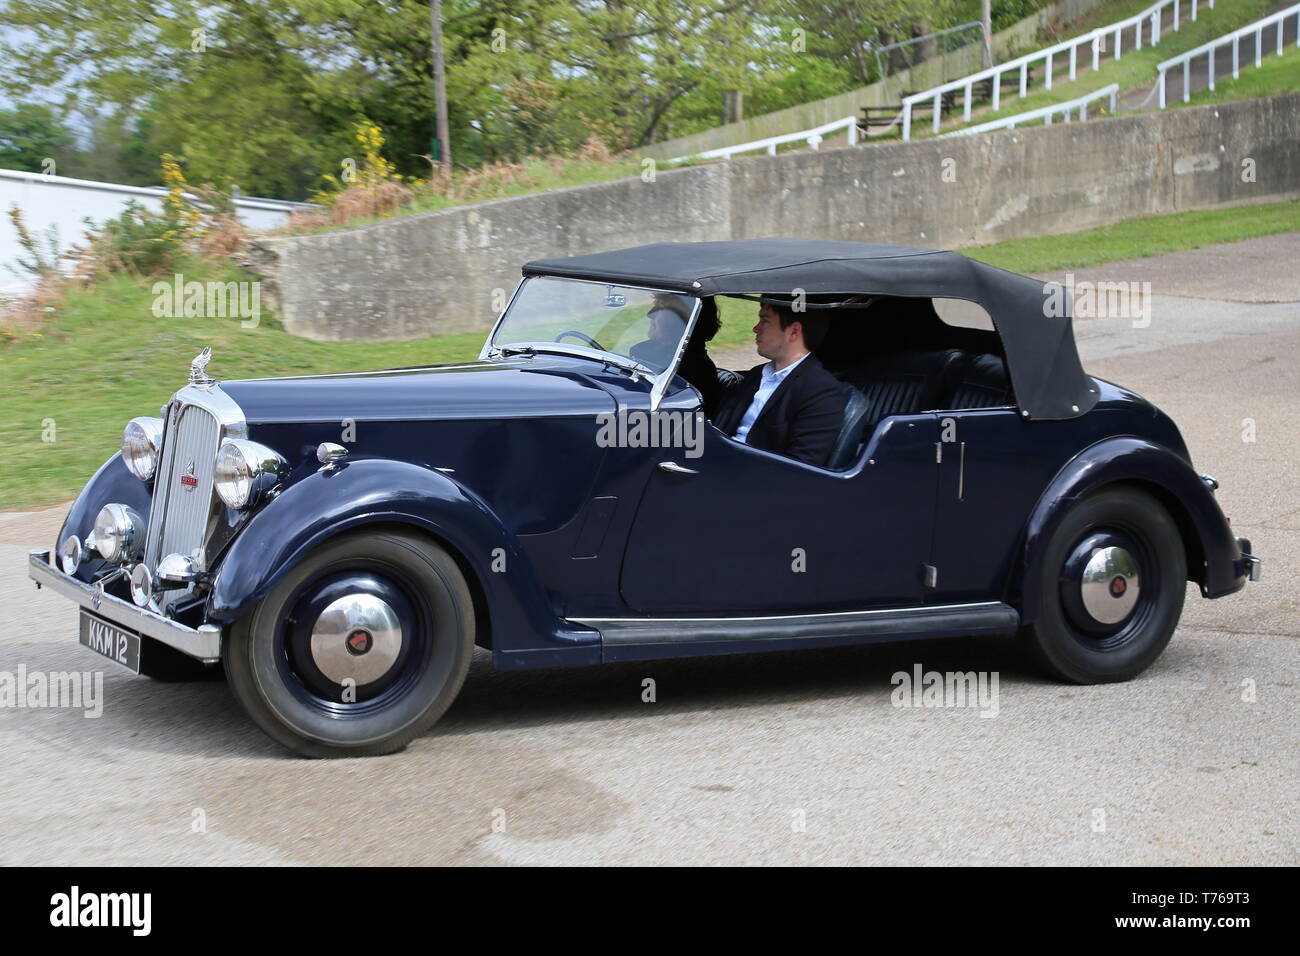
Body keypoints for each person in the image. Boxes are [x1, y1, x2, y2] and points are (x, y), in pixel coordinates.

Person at [712, 298, 845, 467]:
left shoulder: (822, 391)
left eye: (765, 321)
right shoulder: (756, 375)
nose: (755, 328)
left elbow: (801, 468)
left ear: (794, 331)